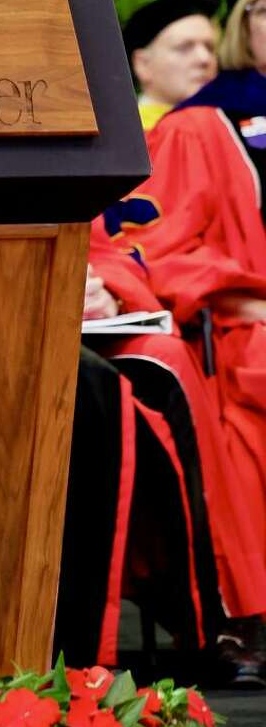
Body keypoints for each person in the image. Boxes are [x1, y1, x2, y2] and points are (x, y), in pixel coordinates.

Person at [110, 0, 266, 558]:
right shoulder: (200, 125)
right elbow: (153, 246)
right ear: (245, 21)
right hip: (241, 334)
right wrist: (246, 299)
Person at [75, 228, 266, 685]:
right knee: (93, 386)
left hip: (127, 319)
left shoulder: (194, 152)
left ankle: (208, 622)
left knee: (163, 361)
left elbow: (101, 244)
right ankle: (76, 649)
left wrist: (109, 290)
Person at [121, 0, 217, 128]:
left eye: (210, 48)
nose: (204, 59)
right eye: (184, 47)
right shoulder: (126, 133)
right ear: (142, 65)